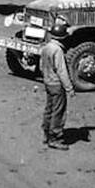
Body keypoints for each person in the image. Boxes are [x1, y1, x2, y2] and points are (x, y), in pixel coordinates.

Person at [40, 17, 75, 149]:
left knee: (49, 109)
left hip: (47, 82)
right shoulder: (58, 50)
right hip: (56, 84)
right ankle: (55, 137)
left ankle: (46, 133)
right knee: (58, 111)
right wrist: (69, 88)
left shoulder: (46, 47)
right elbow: (62, 71)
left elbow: (40, 66)